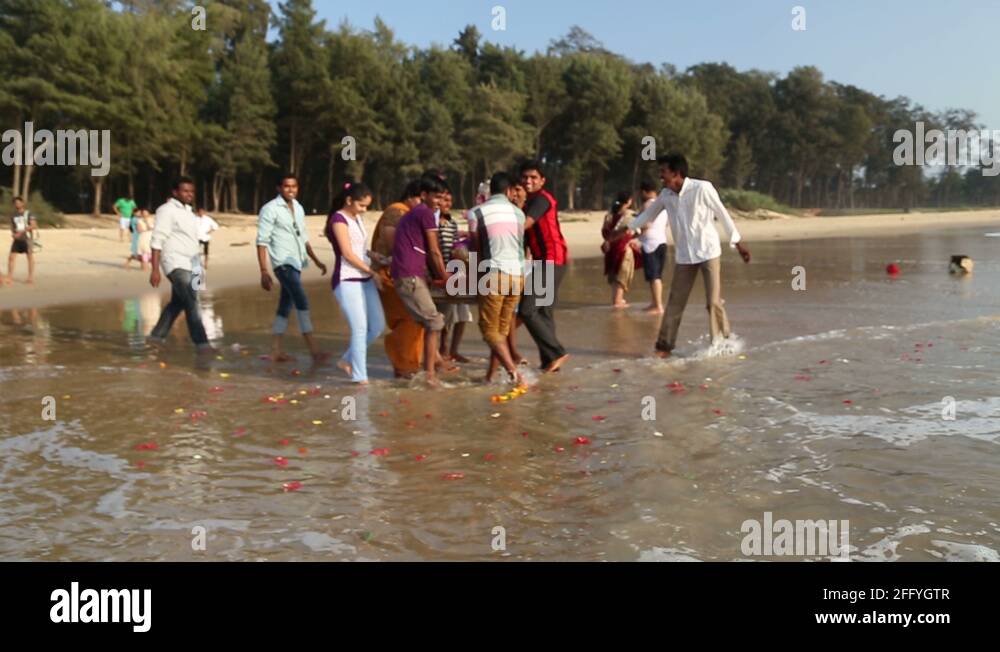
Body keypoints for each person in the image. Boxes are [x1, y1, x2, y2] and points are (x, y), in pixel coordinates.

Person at [628, 153, 751, 358]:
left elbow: (722, 214)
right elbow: (647, 216)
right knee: (675, 302)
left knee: (712, 301)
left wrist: (738, 244)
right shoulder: (666, 195)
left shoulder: (702, 188)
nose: (661, 177)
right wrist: (624, 232)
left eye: (664, 172)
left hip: (708, 251)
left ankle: (721, 342)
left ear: (676, 173)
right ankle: (664, 347)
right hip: (685, 256)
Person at [256, 173, 329, 363]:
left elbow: (303, 238)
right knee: (302, 301)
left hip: (297, 262)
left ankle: (275, 351)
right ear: (279, 188)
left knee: (285, 306)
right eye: (287, 186)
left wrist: (316, 260)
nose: (291, 190)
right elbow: (262, 241)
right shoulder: (270, 209)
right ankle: (314, 351)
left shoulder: (298, 207)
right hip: (282, 264)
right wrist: (264, 271)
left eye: (294, 186)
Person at [390, 175, 454, 386]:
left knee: (429, 322)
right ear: (424, 195)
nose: (439, 202)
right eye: (436, 197)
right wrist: (445, 278)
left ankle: (432, 367)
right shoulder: (426, 213)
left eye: (442, 198)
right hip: (408, 275)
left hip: (409, 273)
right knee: (434, 321)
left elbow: (420, 249)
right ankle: (429, 375)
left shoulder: (417, 213)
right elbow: (434, 251)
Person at [324, 181, 386, 385]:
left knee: (376, 326)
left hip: (365, 278)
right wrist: (372, 272)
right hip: (347, 279)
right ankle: (360, 378)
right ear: (349, 200)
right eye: (361, 205)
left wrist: (373, 256)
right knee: (359, 328)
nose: (364, 210)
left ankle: (347, 360)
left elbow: (360, 248)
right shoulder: (338, 219)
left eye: (367, 206)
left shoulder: (357, 218)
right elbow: (348, 254)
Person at [471, 172, 526, 386]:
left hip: (494, 274)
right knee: (501, 330)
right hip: (517, 276)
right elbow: (519, 247)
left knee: (488, 330)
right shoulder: (518, 213)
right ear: (509, 191)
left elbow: (476, 248)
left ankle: (515, 374)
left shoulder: (478, 212)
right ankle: (490, 377)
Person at [148, 177, 214, 354]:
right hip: (176, 262)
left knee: (178, 303)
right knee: (192, 302)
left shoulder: (189, 212)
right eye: (185, 191)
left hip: (195, 263)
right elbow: (156, 240)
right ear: (175, 192)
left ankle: (156, 337)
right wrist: (155, 269)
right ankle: (202, 344)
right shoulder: (166, 210)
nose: (189, 194)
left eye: (191, 191)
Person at [518, 160, 570, 373]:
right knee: (544, 312)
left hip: (551, 260)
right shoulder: (530, 201)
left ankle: (557, 352)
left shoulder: (541, 199)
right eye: (525, 178)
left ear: (542, 181)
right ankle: (550, 362)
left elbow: (525, 225)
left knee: (527, 310)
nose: (528, 181)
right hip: (548, 261)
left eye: (533, 178)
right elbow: (527, 238)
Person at [371, 180, 425, 378]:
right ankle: (404, 367)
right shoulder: (397, 211)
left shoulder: (408, 213)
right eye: (421, 198)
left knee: (414, 317)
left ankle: (409, 365)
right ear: (411, 196)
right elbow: (392, 241)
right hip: (390, 273)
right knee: (407, 317)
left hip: (400, 273)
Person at [435, 188, 473, 363]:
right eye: (444, 200)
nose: (447, 204)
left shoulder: (452, 224)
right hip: (440, 272)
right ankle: (442, 349)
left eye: (449, 200)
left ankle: (454, 350)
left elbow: (454, 248)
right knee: (445, 314)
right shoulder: (433, 223)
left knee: (463, 313)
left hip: (456, 271)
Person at [601, 191, 642, 308]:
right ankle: (618, 301)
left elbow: (605, 233)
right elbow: (638, 231)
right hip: (623, 249)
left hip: (610, 250)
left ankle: (616, 299)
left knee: (614, 275)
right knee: (622, 276)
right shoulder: (631, 215)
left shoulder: (609, 215)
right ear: (629, 201)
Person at [637, 180, 668, 314]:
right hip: (662, 241)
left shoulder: (647, 205)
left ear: (644, 191)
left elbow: (645, 224)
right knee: (657, 276)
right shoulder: (663, 205)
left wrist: (636, 238)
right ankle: (655, 303)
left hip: (650, 243)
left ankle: (658, 306)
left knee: (653, 276)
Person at [5, 196, 37, 285]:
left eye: (19, 202)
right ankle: (9, 277)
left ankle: (30, 277)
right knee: (11, 258)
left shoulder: (28, 213)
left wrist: (22, 231)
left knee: (29, 258)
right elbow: (12, 226)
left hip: (26, 238)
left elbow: (33, 225)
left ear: (23, 203)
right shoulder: (13, 215)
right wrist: (13, 234)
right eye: (15, 203)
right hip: (17, 239)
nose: (17, 204)